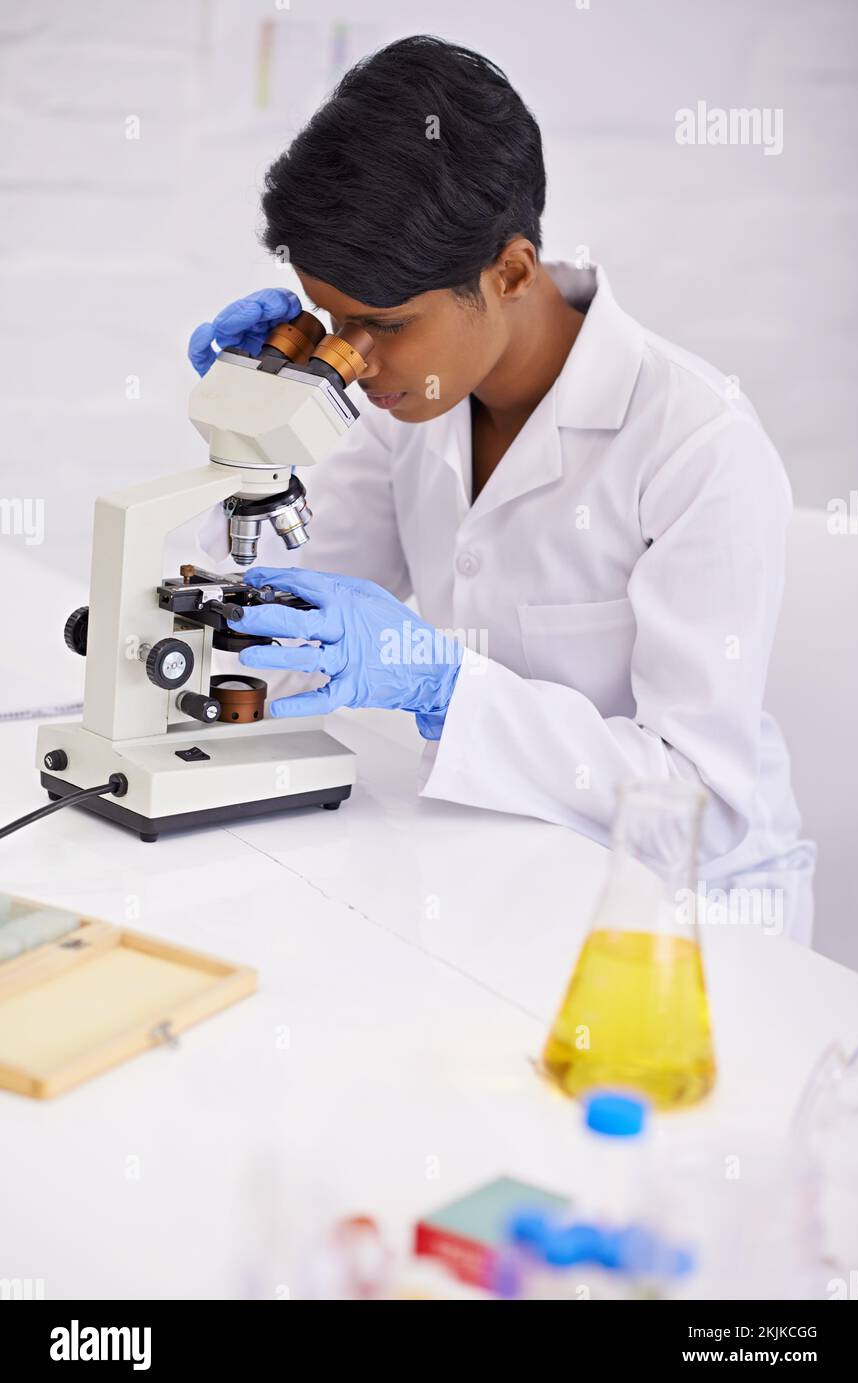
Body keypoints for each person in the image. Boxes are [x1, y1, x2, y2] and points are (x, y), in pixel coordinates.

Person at [188, 35, 816, 944]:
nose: (352, 360)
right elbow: (265, 629)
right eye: (331, 322)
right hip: (495, 872)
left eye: (383, 324)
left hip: (689, 922)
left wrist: (443, 685)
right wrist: (250, 434)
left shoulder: (697, 444)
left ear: (511, 271)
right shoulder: (409, 402)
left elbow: (700, 800)